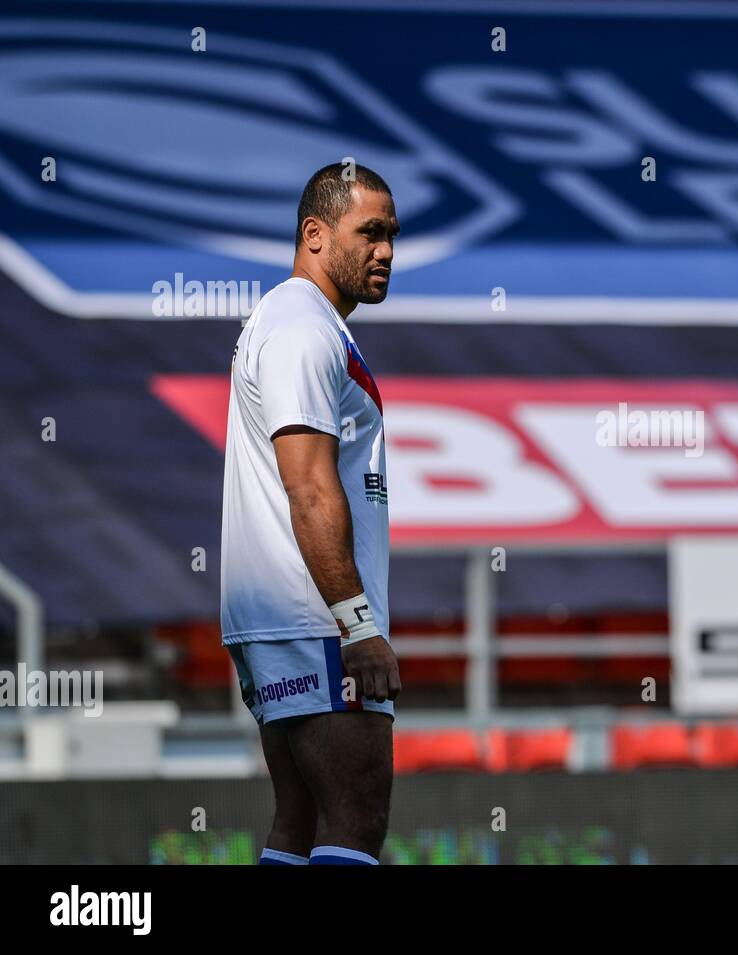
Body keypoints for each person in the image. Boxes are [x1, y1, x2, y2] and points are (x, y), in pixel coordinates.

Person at [220, 162, 401, 865]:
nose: (385, 250)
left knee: (298, 822)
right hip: (315, 617)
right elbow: (310, 489)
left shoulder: (296, 321)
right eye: (370, 232)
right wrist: (357, 623)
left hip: (281, 613)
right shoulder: (302, 325)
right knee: (356, 821)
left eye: (392, 235)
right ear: (315, 234)